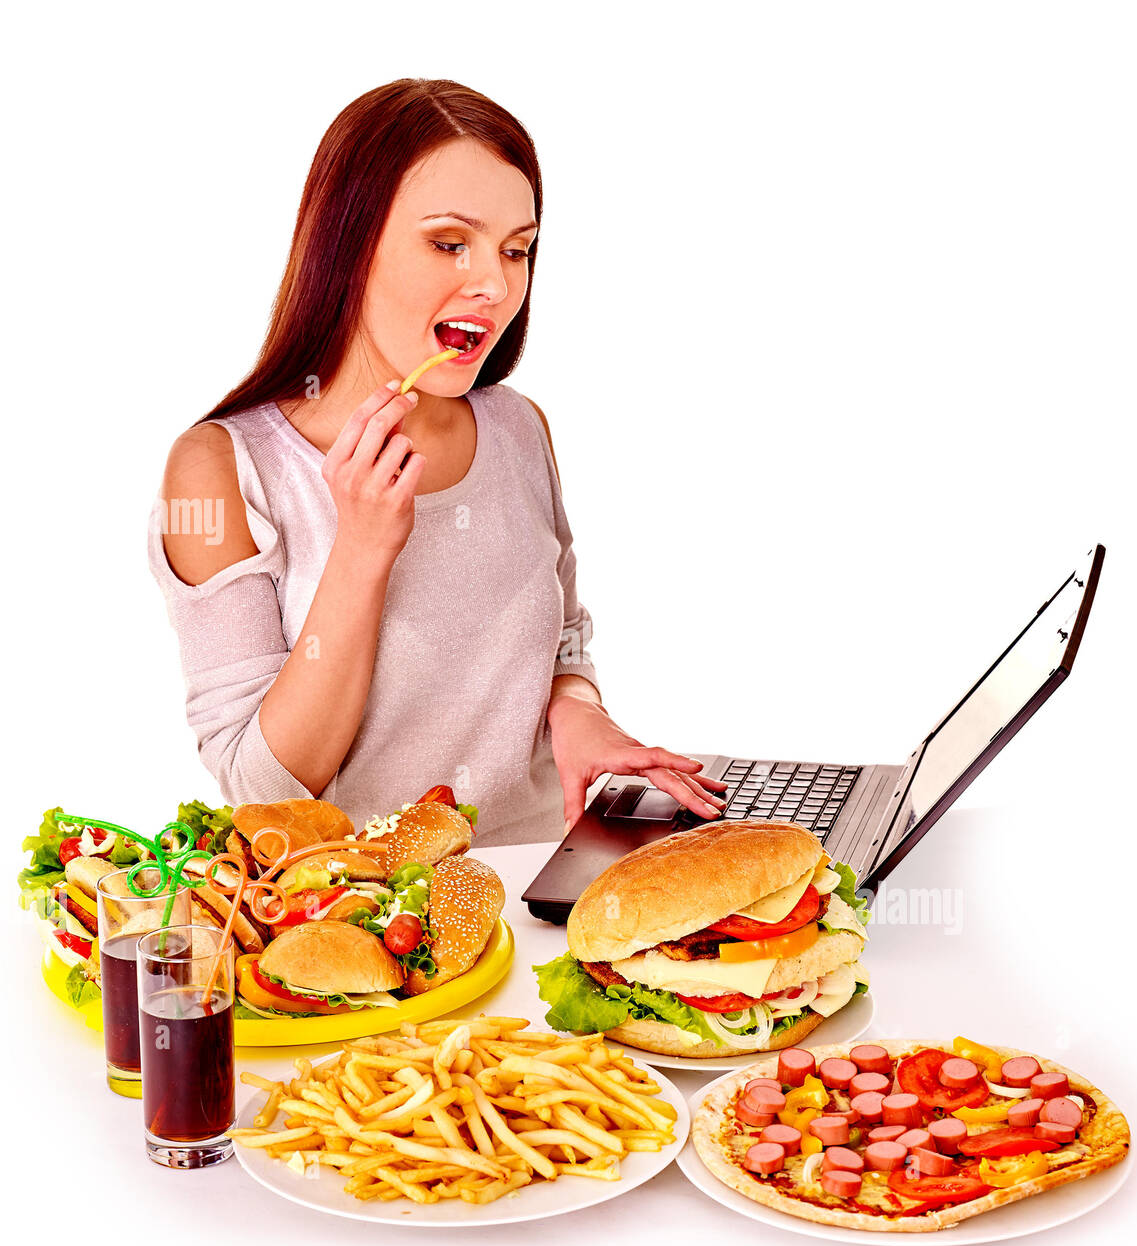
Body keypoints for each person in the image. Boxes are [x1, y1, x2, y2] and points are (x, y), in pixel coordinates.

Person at [150, 78, 725, 844]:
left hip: (553, 878)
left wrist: (579, 713)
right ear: (346, 245)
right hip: (369, 919)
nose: (493, 283)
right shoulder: (219, 469)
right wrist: (360, 551)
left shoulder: (519, 428)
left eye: (515, 249)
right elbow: (262, 791)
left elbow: (563, 642)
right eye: (449, 242)